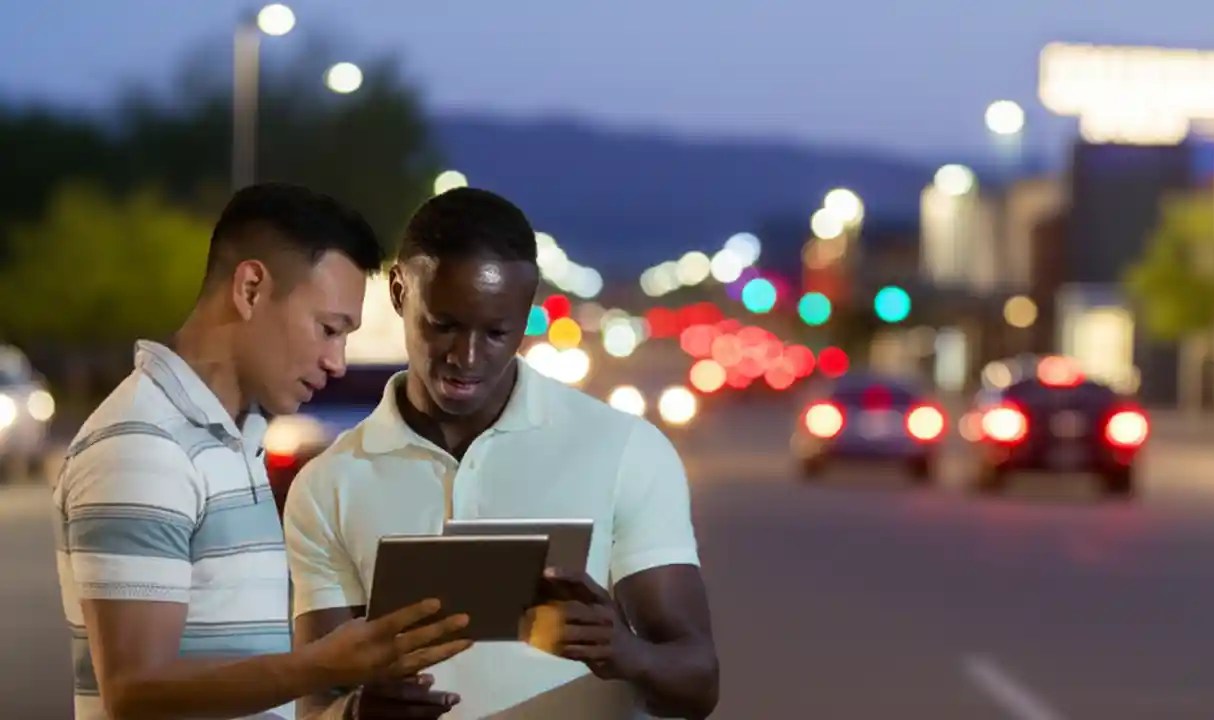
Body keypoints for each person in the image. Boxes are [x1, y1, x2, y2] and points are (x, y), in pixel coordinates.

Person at [283, 187, 720, 720]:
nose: (466, 357)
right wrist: (355, 713)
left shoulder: (626, 451)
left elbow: (698, 682)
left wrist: (628, 654)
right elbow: (315, 705)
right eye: (443, 325)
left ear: (526, 311)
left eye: (496, 333)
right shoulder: (330, 484)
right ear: (399, 291)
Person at [52, 183, 474, 720]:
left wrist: (353, 711)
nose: (337, 361)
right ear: (250, 288)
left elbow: (237, 680)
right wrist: (324, 666)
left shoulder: (233, 439)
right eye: (328, 329)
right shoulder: (142, 446)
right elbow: (135, 692)